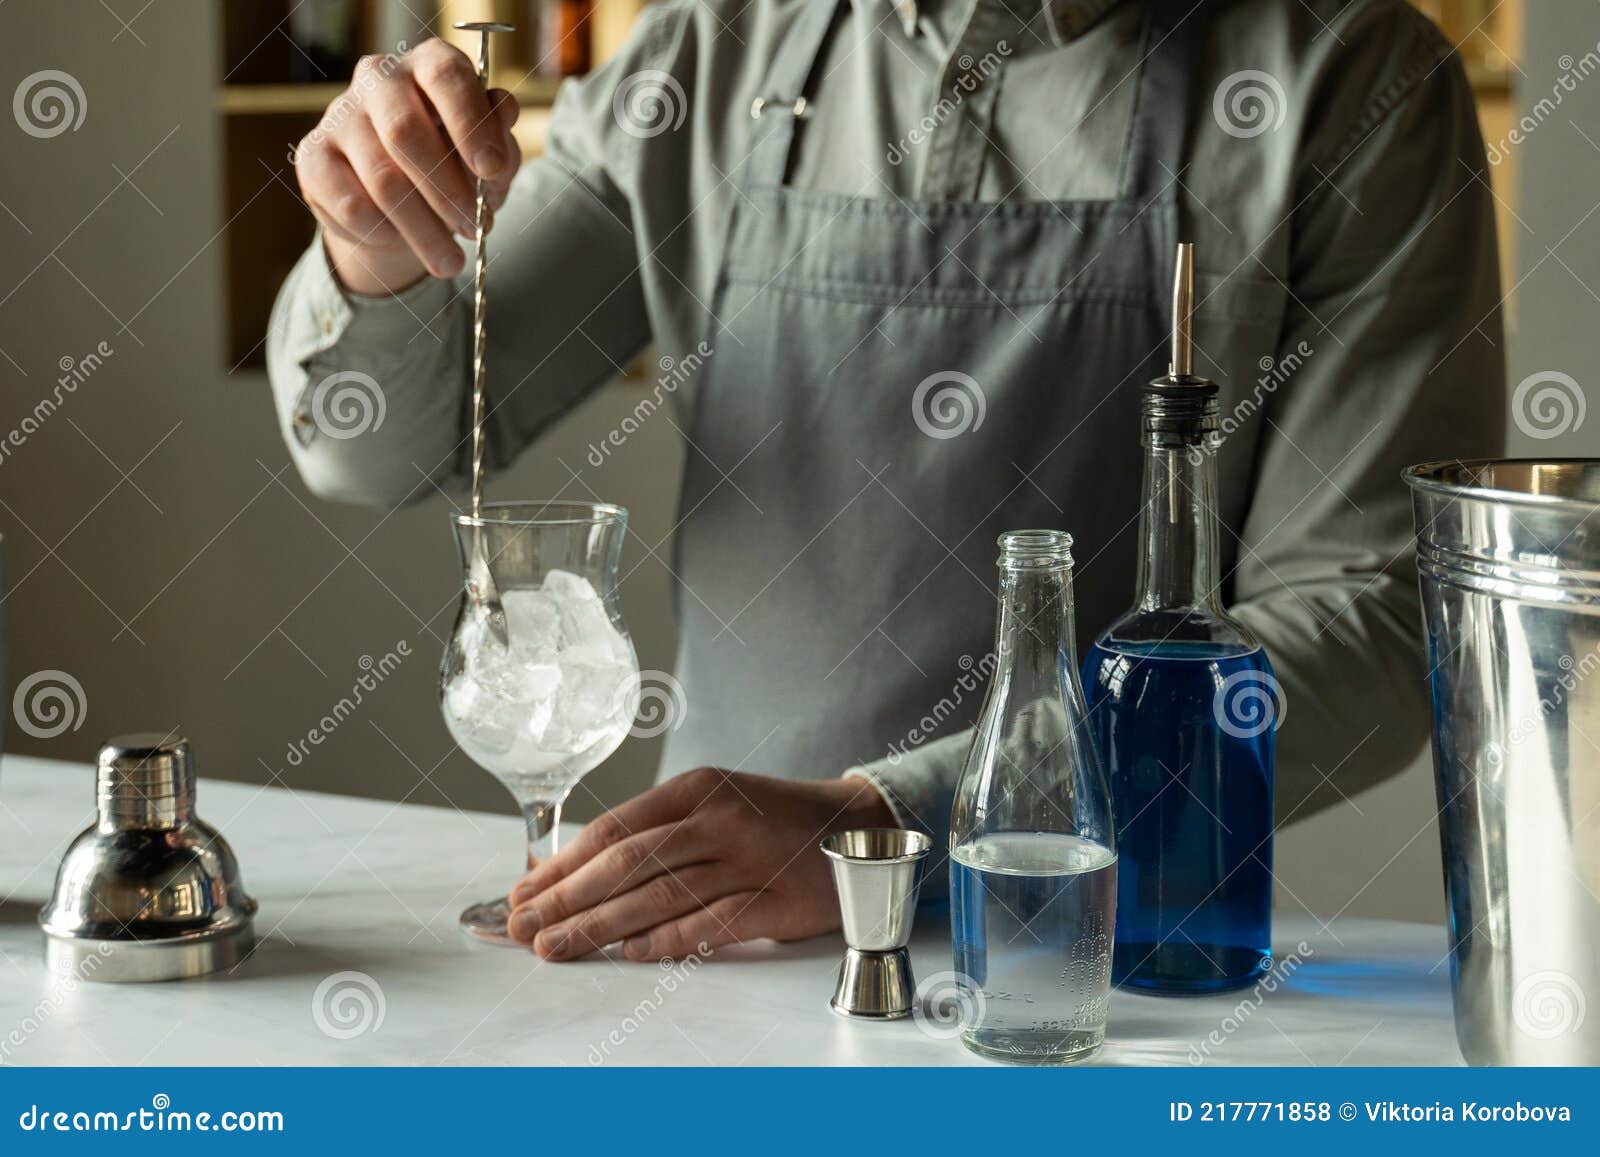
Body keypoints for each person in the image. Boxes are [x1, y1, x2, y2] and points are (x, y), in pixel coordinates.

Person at [268, 0, 1504, 962]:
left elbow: (1373, 622)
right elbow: (376, 447)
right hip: (703, 950)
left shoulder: (1349, 81)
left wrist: (883, 822)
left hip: (1096, 967)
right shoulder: (709, 52)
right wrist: (374, 250)